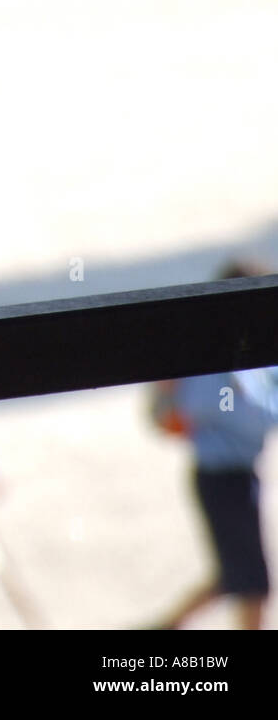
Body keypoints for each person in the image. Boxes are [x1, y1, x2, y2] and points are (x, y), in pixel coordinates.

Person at [153, 259, 278, 630]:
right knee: (251, 581)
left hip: (237, 472)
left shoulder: (241, 350)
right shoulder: (219, 355)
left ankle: (163, 626)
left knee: (236, 572)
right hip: (221, 476)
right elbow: (212, 407)